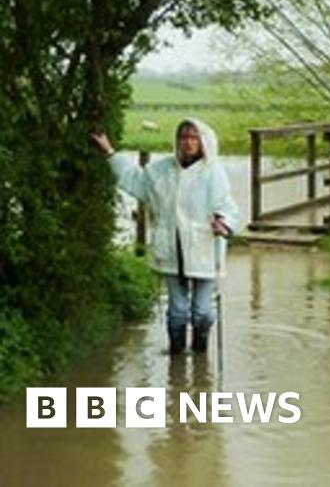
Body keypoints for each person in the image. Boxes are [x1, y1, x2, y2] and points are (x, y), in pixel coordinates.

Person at [89, 119, 238, 356]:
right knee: (177, 309)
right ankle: (176, 359)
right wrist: (109, 153)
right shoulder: (162, 170)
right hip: (171, 249)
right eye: (183, 137)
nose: (188, 143)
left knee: (202, 311)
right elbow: (134, 179)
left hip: (205, 250)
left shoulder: (213, 173)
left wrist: (224, 224)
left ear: (203, 142)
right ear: (176, 141)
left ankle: (200, 355)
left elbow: (228, 207)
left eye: (193, 138)